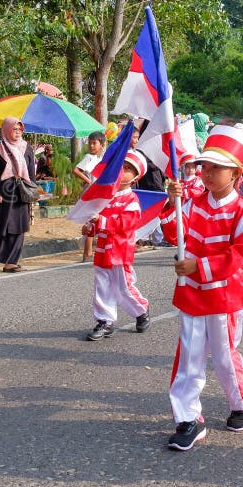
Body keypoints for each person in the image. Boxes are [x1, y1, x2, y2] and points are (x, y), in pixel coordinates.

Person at [160, 123, 243, 451]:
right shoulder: (191, 203)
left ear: (237, 173)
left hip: (224, 298)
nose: (208, 172)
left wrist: (198, 266)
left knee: (223, 357)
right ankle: (188, 419)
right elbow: (176, 234)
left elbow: (235, 259)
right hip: (191, 293)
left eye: (218, 167)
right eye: (205, 165)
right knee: (188, 357)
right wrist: (170, 203)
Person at [83, 150, 151, 341]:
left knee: (124, 288)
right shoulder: (105, 198)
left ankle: (141, 310)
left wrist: (100, 220)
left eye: (128, 168)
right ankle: (105, 321)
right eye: (121, 165)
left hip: (120, 252)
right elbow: (98, 224)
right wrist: (90, 228)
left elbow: (124, 226)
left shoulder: (132, 201)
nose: (123, 170)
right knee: (102, 286)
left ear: (135, 177)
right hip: (103, 250)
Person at [0, 116, 36, 272]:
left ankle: (11, 262)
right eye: (14, 129)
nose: (18, 132)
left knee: (18, 226)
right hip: (1, 192)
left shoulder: (27, 147)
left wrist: (32, 192)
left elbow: (31, 173)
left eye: (20, 129)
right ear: (6, 129)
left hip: (21, 192)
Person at [74, 131, 106, 261]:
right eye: (90, 143)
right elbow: (76, 170)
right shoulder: (88, 157)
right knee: (90, 223)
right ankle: (87, 253)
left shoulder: (99, 159)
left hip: (97, 194)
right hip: (89, 194)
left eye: (95, 143)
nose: (92, 146)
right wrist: (89, 182)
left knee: (94, 222)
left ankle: (90, 252)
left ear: (102, 145)